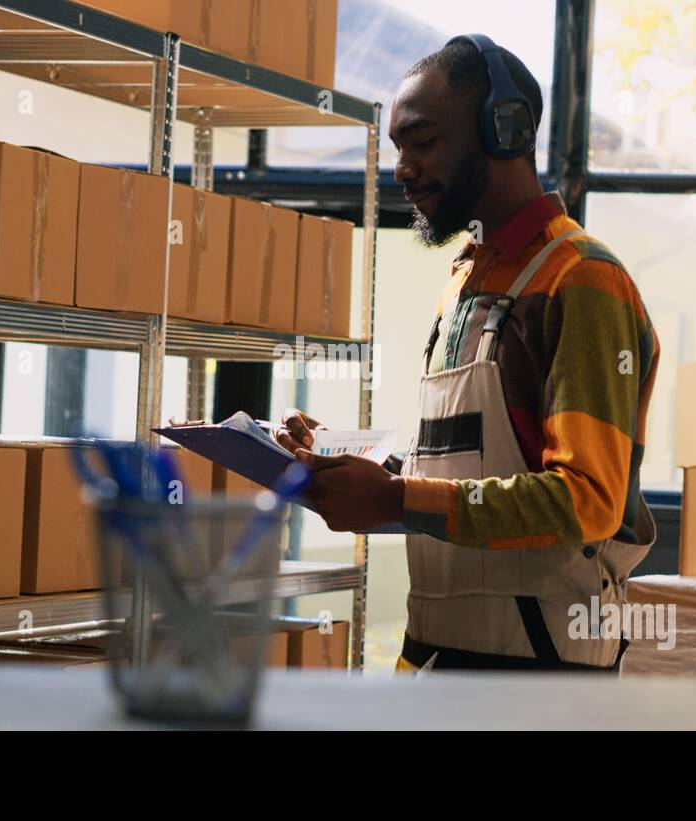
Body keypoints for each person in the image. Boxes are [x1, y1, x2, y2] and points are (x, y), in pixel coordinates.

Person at [275, 35, 660, 673]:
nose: (402, 169)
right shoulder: (466, 279)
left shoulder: (582, 280)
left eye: (423, 143)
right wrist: (349, 463)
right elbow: (465, 473)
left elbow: (588, 501)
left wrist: (396, 500)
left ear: (503, 133)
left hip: (537, 675)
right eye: (398, 149)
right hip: (437, 652)